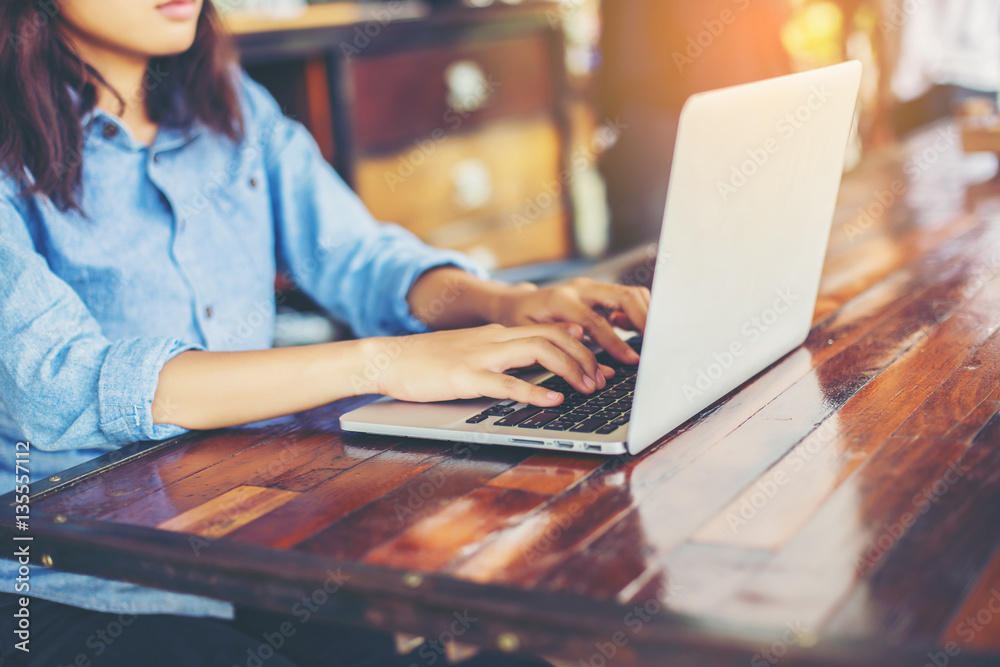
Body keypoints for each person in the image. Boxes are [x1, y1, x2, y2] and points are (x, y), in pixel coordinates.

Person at [0, 0, 650, 664]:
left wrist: (507, 301)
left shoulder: (232, 104)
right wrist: (379, 363)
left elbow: (356, 257)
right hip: (60, 579)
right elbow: (57, 383)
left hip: (240, 535)